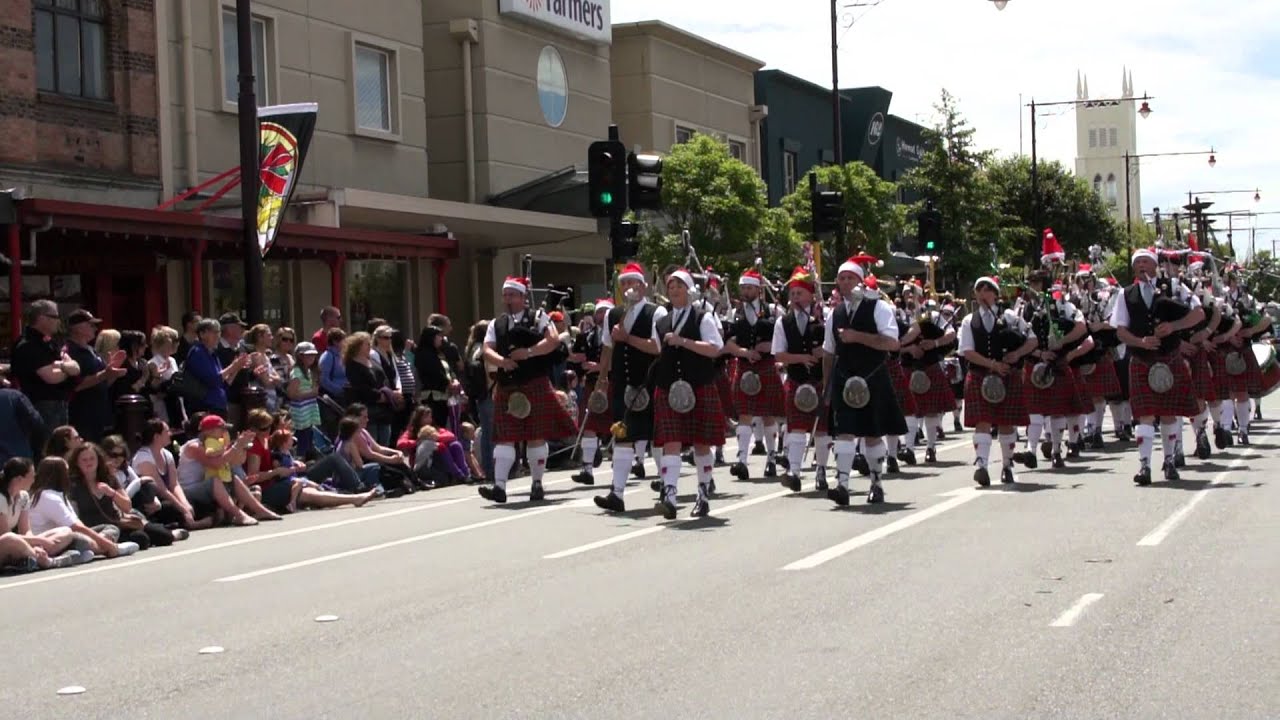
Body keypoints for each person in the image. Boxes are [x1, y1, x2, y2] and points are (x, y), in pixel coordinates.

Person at [476, 275, 577, 504]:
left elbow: (552, 341)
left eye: (512, 295)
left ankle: (537, 483)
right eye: (505, 295)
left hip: (534, 381)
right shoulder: (496, 323)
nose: (508, 299)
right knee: (505, 438)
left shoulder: (539, 317)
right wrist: (502, 361)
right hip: (508, 383)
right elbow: (487, 349)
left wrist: (528, 353)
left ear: (523, 297)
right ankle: (499, 486)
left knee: (535, 436)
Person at [1111, 248, 1203, 485]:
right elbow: (1120, 330)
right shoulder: (1125, 294)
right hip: (1142, 359)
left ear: (1154, 265)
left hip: (1169, 356)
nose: (1142, 265)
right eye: (1138, 262)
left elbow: (1198, 313)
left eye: (1146, 261)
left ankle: (1170, 461)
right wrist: (1140, 341)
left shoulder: (1173, 286)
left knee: (1169, 414)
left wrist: (1175, 327)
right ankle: (1145, 467)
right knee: (1145, 415)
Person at [821, 257, 907, 506]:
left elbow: (892, 343)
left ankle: (876, 483)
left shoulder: (879, 307)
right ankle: (843, 486)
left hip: (873, 376)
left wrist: (856, 336)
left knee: (872, 434)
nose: (846, 282)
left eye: (851, 278)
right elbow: (828, 352)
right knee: (843, 433)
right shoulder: (834, 313)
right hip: (843, 379)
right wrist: (827, 386)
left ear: (860, 281)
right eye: (842, 278)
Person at [646, 268, 725, 519]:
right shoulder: (660, 322)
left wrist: (684, 342)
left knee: (701, 443)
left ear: (689, 290)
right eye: (671, 286)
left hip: (699, 385)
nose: (674, 290)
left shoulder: (703, 317)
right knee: (670, 442)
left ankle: (703, 495)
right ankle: (669, 496)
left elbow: (715, 349)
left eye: (679, 285)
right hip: (669, 389)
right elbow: (658, 350)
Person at [590, 264, 666, 512]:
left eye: (632, 283)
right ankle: (617, 494)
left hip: (650, 382)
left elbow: (657, 348)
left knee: (657, 438)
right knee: (622, 436)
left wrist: (627, 338)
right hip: (622, 384)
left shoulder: (657, 312)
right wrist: (602, 379)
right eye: (623, 284)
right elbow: (608, 349)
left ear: (643, 286)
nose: (627, 288)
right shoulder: (613, 314)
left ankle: (667, 487)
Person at [959, 276, 1036, 485]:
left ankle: (1007, 465)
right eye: (979, 290)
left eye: (987, 290)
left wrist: (1017, 354)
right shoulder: (969, 321)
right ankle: (981, 466)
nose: (983, 294)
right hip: (979, 374)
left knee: (1006, 423)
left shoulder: (1010, 316)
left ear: (995, 294)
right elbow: (967, 352)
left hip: (1007, 375)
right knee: (982, 422)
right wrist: (992, 365)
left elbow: (1033, 340)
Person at [772, 267, 831, 492]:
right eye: (793, 294)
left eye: (800, 293)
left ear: (811, 296)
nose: (796, 297)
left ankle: (822, 472)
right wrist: (802, 358)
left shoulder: (823, 321)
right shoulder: (783, 323)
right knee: (796, 428)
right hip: (797, 380)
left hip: (819, 380)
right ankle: (794, 472)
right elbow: (778, 354)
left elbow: (833, 349)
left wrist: (823, 354)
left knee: (822, 430)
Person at [726, 269, 785, 480]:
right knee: (744, 414)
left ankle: (771, 459)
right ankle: (742, 460)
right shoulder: (735, 313)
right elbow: (728, 342)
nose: (745, 291)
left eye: (749, 287)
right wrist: (744, 352)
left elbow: (786, 337)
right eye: (742, 287)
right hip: (744, 367)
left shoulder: (773, 311)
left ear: (759, 290)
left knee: (768, 414)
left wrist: (771, 346)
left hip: (767, 365)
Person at [1, 458, 87, 571]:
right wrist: (40, 542)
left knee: (65, 531)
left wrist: (36, 544)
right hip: (6, 543)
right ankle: (51, 561)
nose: (33, 480)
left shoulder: (23, 497)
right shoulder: (1, 499)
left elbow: (26, 531)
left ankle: (36, 557)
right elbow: (4, 535)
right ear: (19, 479)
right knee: (10, 538)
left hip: (18, 543)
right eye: (31, 476)